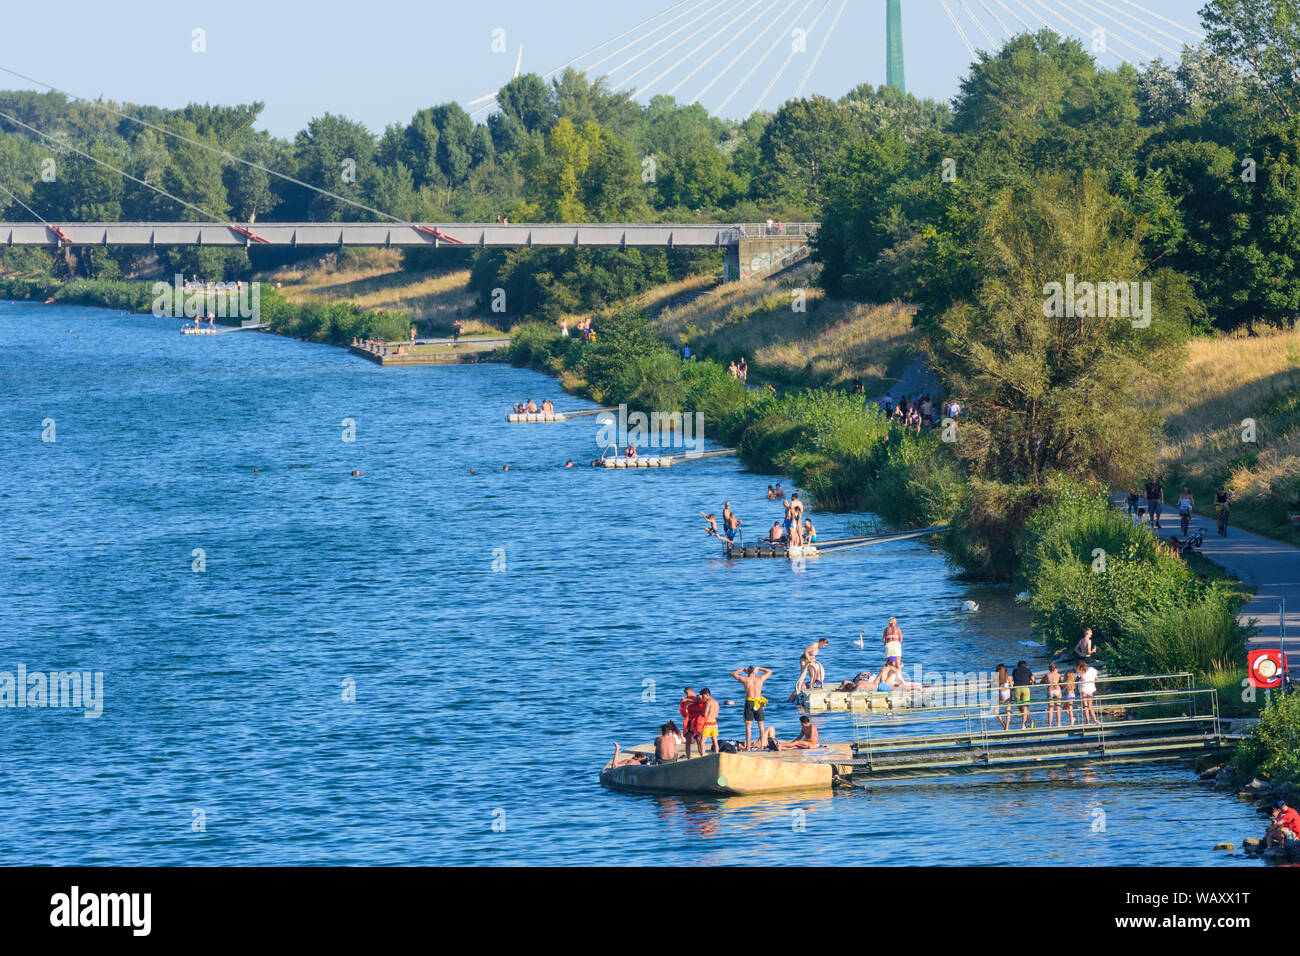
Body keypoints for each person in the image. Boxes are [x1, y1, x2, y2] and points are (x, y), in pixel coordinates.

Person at [732, 666, 772, 751]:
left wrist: (742, 669)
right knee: (761, 726)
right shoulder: (760, 679)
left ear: (747, 672)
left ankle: (748, 747)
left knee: (748, 726)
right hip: (758, 703)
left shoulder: (745, 680)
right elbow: (769, 671)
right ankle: (761, 746)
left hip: (749, 703)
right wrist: (759, 668)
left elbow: (734, 674)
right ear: (755, 672)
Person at [1012, 660, 1035, 729]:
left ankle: (1030, 720)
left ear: (1018, 665)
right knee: (1025, 707)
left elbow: (1014, 679)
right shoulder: (1028, 670)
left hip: (1017, 689)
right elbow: (1033, 679)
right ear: (1025, 665)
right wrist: (1031, 682)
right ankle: (1024, 725)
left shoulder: (1014, 670)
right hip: (1025, 688)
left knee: (1020, 708)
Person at [1077, 658, 1100, 725]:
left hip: (1083, 690)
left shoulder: (1081, 671)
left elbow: (1077, 679)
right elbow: (1096, 678)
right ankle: (1095, 720)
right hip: (1090, 690)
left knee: (1085, 707)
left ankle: (1087, 721)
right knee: (1090, 706)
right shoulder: (1092, 669)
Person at [680, 688, 701, 758]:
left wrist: (686, 700)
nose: (686, 695)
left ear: (691, 691)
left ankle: (702, 756)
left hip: (698, 722)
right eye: (685, 693)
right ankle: (688, 758)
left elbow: (698, 700)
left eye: (687, 692)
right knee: (688, 741)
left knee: (699, 740)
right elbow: (684, 712)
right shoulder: (687, 700)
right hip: (689, 721)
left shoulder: (697, 697)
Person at [698, 688, 720, 754]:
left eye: (703, 696)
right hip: (714, 723)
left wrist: (700, 713)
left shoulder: (708, 702)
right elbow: (716, 715)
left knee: (702, 742)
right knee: (715, 742)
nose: (703, 698)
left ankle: (702, 757)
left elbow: (705, 714)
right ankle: (716, 755)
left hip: (708, 724)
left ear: (707, 695)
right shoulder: (716, 702)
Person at [1043, 662, 1062, 727]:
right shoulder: (1058, 675)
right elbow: (1060, 682)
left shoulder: (1047, 675)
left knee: (1050, 708)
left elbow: (1042, 682)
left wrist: (1046, 682)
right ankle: (1059, 724)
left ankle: (1049, 724)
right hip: (1057, 690)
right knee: (1058, 708)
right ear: (1055, 668)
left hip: (1050, 690)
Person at [994, 663, 1012, 730]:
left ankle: (1003, 725)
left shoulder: (996, 677)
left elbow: (992, 686)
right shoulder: (1007, 676)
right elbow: (1011, 685)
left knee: (995, 710)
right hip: (1008, 693)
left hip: (1001, 694)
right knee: (1008, 710)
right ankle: (1007, 727)